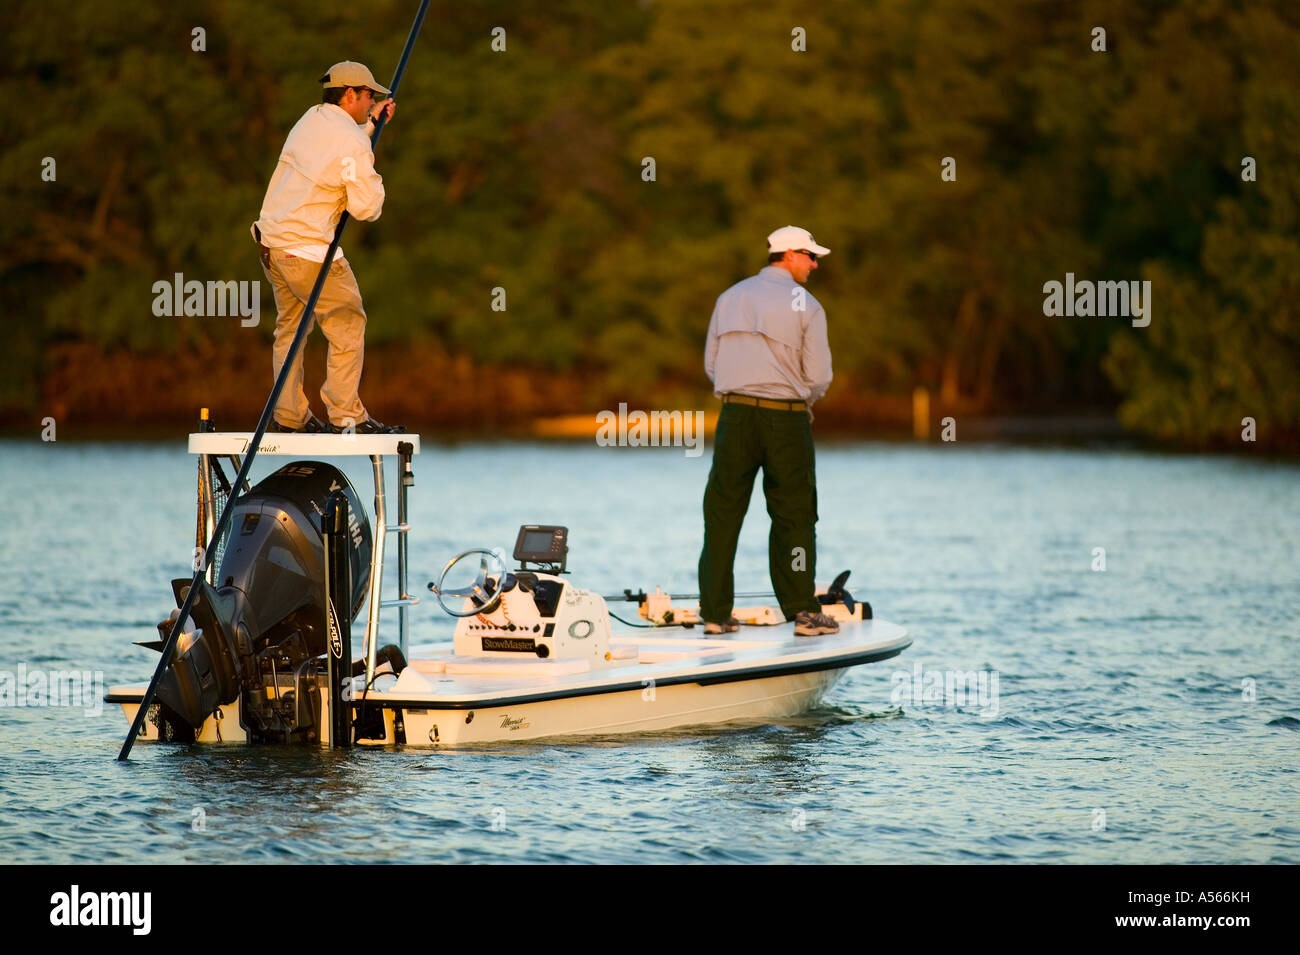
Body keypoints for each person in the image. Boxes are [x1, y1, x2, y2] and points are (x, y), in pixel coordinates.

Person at [698, 226, 841, 637]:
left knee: (722, 514)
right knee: (794, 515)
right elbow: (818, 375)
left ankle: (715, 613)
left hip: (734, 417)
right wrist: (803, 402)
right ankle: (803, 613)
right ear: (791, 255)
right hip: (787, 419)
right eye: (811, 256)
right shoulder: (808, 305)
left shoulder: (729, 297)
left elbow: (712, 364)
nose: (815, 264)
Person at [252, 61, 403, 434]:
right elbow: (367, 208)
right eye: (370, 96)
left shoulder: (311, 119)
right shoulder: (350, 142)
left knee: (291, 329)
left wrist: (371, 125)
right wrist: (369, 159)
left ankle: (288, 418)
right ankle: (346, 415)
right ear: (350, 94)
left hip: (272, 246)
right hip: (308, 253)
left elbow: (336, 154)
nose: (373, 102)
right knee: (348, 323)